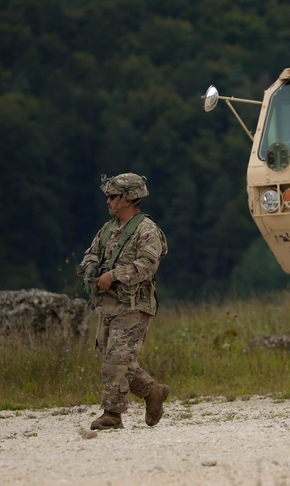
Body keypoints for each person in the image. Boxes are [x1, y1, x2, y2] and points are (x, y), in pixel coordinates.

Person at [77, 173, 169, 431]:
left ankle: (112, 414)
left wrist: (113, 275)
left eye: (113, 196)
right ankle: (153, 392)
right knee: (118, 359)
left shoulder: (145, 230)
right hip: (108, 305)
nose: (108, 202)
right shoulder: (107, 230)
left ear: (129, 199)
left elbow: (148, 264)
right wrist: (91, 268)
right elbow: (91, 253)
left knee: (116, 359)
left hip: (134, 305)